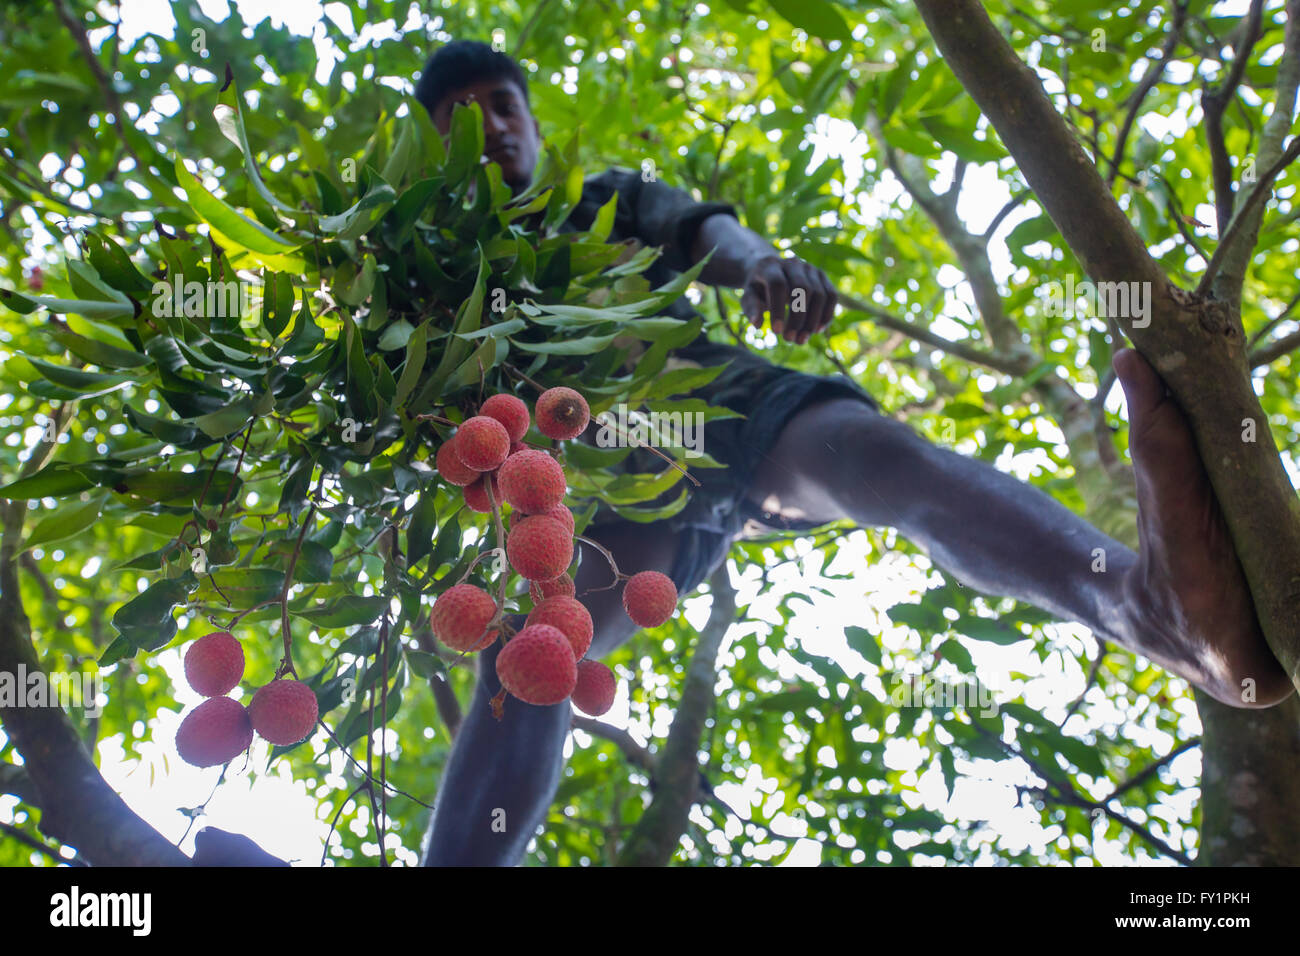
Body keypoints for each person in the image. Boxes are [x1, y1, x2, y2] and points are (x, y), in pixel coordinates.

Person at [413, 40, 1292, 866]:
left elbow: (700, 232)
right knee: (526, 649)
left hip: (713, 408)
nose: (491, 124)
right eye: (461, 113)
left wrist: (764, 264)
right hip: (583, 494)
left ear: (529, 117)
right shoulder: (437, 267)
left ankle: (1150, 610)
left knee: (877, 459)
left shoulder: (601, 199)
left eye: (503, 103)